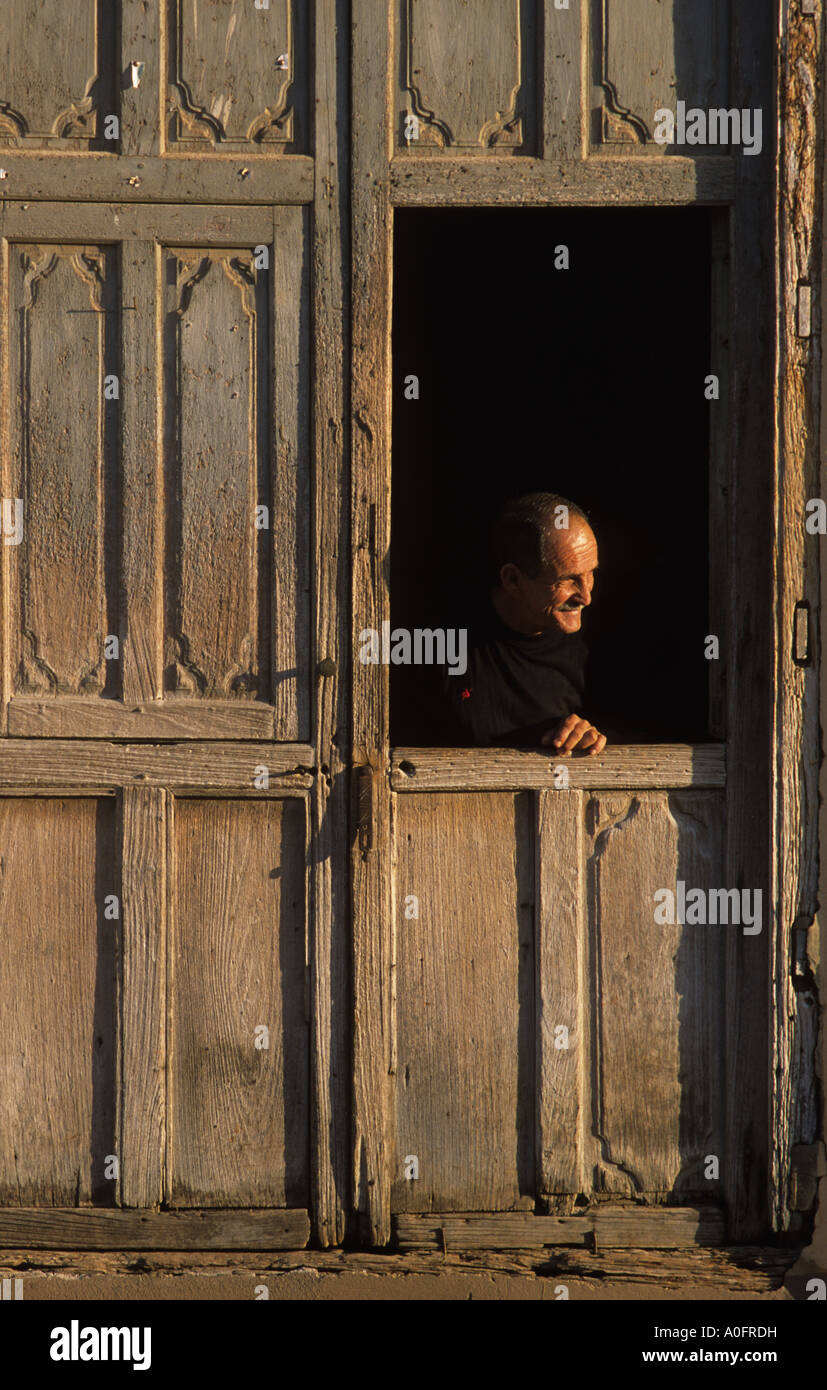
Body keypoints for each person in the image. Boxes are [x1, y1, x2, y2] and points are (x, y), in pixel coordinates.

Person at [436, 492, 607, 753]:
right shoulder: (440, 643)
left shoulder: (597, 643)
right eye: (568, 580)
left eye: (591, 573)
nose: (586, 596)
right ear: (513, 579)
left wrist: (592, 736)